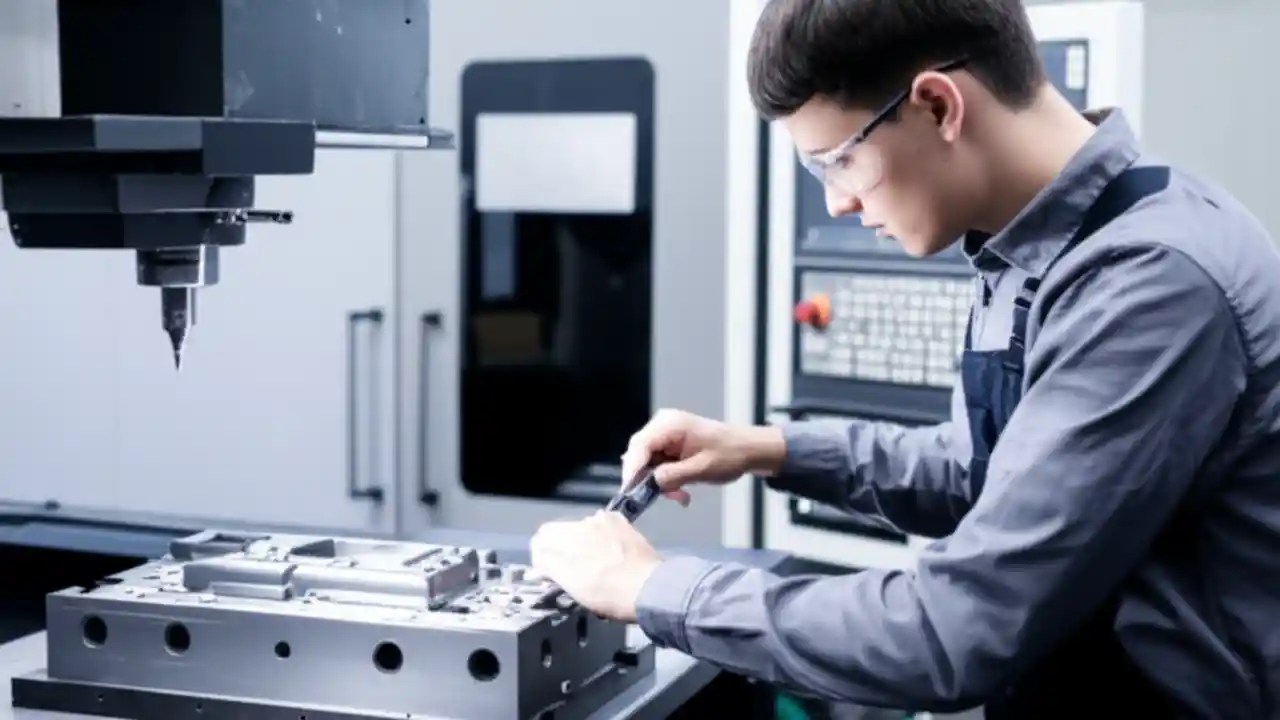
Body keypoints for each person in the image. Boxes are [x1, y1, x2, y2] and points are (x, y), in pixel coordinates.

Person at [529, 0, 1280, 717]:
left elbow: (955, 631)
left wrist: (652, 586)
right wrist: (765, 449)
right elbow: (978, 472)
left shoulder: (1151, 285)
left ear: (937, 105)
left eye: (838, 162)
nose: (837, 204)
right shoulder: (1033, 250)